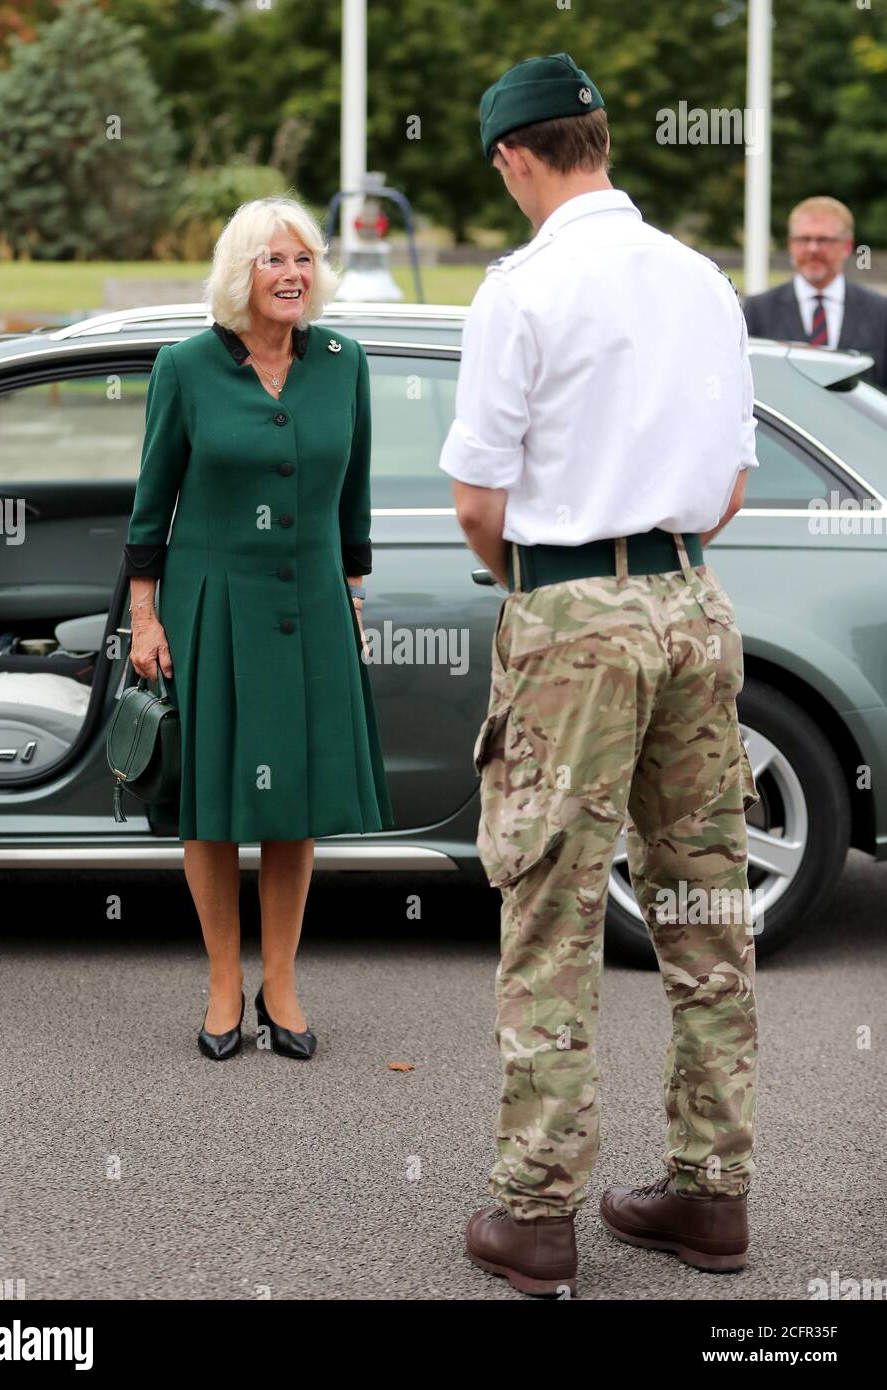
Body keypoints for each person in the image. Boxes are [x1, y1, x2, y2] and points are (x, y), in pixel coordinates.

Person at [439, 52, 761, 1297]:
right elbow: (729, 489)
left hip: (572, 604)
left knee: (552, 910)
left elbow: (478, 500)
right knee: (702, 910)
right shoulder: (703, 279)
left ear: (516, 158)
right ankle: (710, 1195)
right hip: (693, 601)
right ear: (603, 139)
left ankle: (536, 1215)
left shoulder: (520, 289)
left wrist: (542, 581)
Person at [122, 196, 394, 1063]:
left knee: (293, 803)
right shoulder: (187, 366)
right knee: (209, 805)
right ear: (240, 275)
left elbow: (354, 496)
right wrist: (144, 613)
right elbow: (150, 499)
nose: (291, 274)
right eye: (272, 260)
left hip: (308, 600)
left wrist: (351, 592)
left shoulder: (344, 362)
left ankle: (279, 981)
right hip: (212, 597)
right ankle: (220, 984)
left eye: (304, 259)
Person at [744, 195, 887, 389]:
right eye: (804, 239)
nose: (812, 249)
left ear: (847, 246)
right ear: (790, 245)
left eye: (823, 240)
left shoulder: (879, 311)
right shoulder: (757, 310)